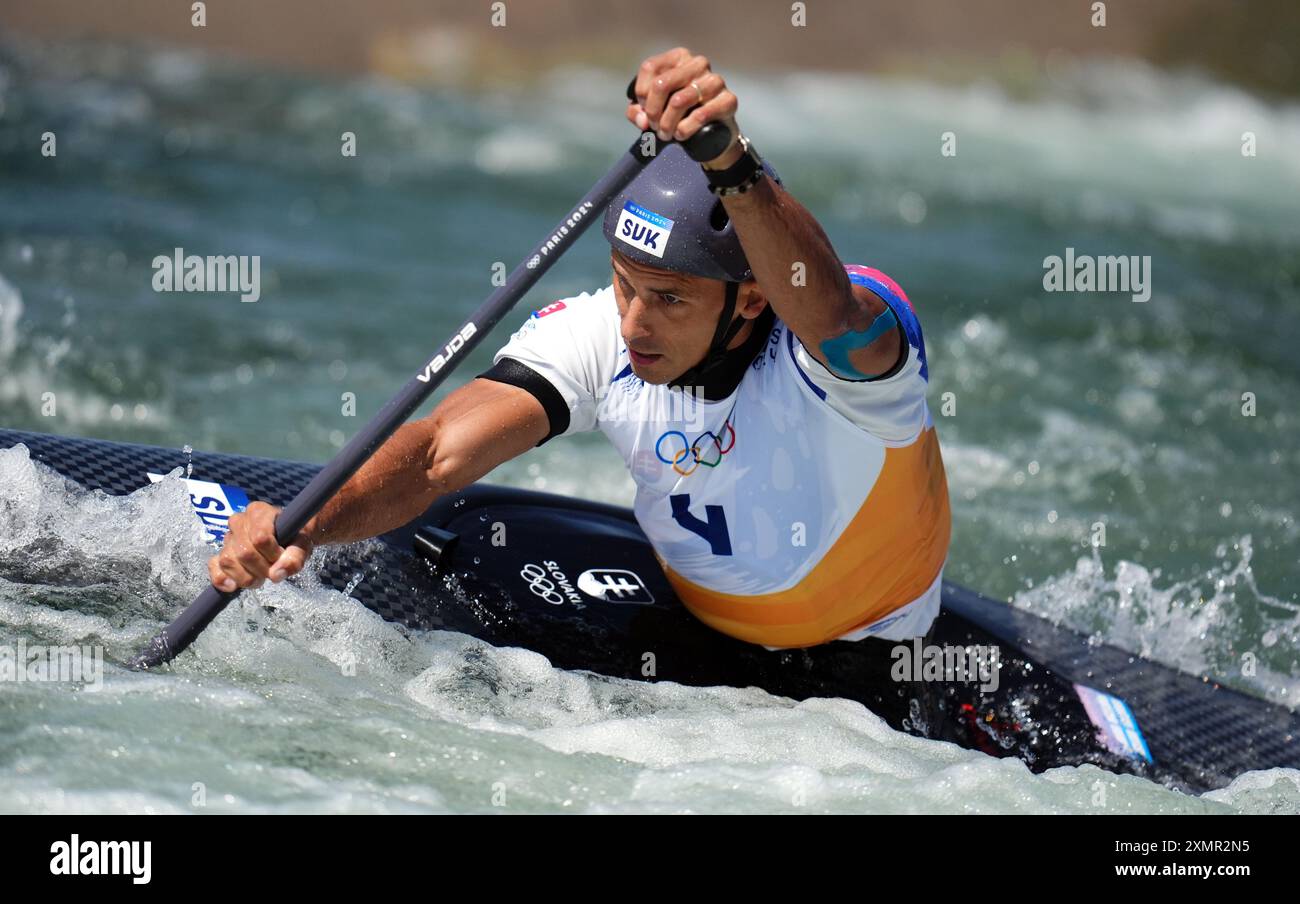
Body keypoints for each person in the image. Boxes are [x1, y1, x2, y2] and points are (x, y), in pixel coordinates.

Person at [208, 47, 952, 729]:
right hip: (689, 631)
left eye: (669, 299)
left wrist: (729, 160)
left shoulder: (844, 360)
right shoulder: (603, 333)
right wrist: (299, 525)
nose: (634, 324)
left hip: (862, 674)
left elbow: (827, 307)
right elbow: (437, 453)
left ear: (750, 299)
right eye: (625, 286)